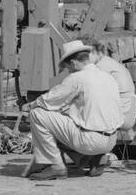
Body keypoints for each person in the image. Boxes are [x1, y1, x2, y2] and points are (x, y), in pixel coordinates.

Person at [22, 40, 122, 181]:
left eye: (68, 67)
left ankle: (55, 166)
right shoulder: (107, 77)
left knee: (37, 115)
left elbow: (50, 100)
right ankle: (92, 159)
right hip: (111, 141)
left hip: (90, 141)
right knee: (67, 120)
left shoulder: (76, 78)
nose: (68, 70)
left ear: (74, 63)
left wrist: (30, 105)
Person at [89, 39, 136, 129]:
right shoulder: (109, 62)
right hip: (129, 109)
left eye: (85, 56)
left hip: (122, 117)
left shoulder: (100, 67)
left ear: (94, 52)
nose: (83, 60)